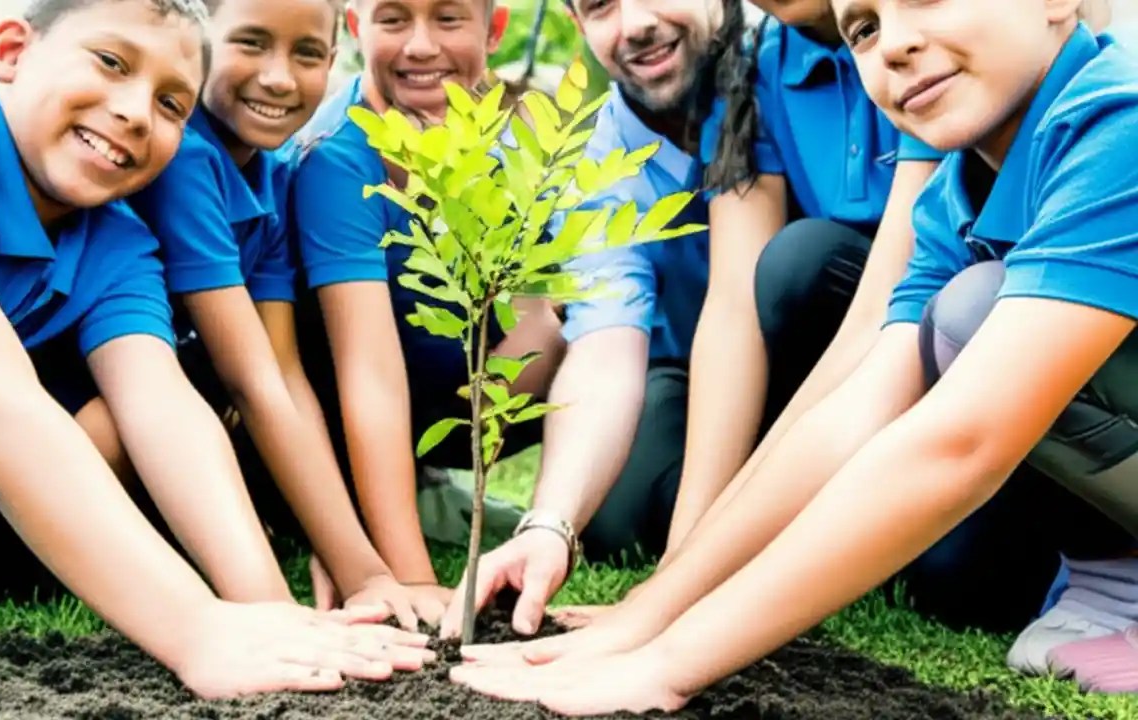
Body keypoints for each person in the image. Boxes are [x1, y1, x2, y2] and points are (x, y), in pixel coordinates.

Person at [449, 0, 1138, 713]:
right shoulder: (953, 194)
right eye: (864, 28)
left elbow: (959, 443)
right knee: (959, 312)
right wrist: (650, 615)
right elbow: (856, 407)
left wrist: (670, 664)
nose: (894, 45)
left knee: (971, 309)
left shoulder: (1119, 125)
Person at [0, 0, 430, 699]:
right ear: (12, 50)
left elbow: (161, 404)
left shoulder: (115, 235)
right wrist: (196, 631)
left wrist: (265, 608)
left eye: (170, 103)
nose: (134, 112)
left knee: (117, 425)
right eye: (110, 63)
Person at [440, 0, 765, 638]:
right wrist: (549, 524)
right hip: (699, 382)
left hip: (829, 354)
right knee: (617, 512)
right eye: (601, 7)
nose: (635, 23)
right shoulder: (597, 156)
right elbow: (605, 337)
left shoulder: (779, 74)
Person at [126, 0, 422, 626]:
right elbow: (251, 381)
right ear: (200, 44)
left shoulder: (274, 170)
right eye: (251, 43)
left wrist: (357, 562)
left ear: (334, 58)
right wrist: (362, 571)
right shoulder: (185, 158)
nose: (280, 78)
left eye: (306, 54)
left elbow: (282, 371)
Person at [287, 0, 567, 625]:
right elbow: (368, 373)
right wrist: (409, 574)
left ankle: (423, 482)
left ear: (492, 31)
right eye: (393, 20)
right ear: (357, 31)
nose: (420, 46)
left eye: (448, 19)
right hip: (337, 397)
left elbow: (535, 318)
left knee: (557, 340)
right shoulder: (337, 158)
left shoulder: (509, 141)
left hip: (449, 391)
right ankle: (358, 511)